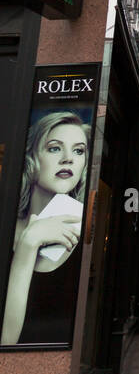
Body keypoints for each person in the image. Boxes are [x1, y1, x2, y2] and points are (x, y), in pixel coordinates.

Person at [1, 112, 90, 347]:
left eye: (79, 151)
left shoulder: (87, 229)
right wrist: (28, 245)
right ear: (32, 156)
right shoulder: (8, 224)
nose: (68, 159)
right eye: (54, 148)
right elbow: (6, 340)